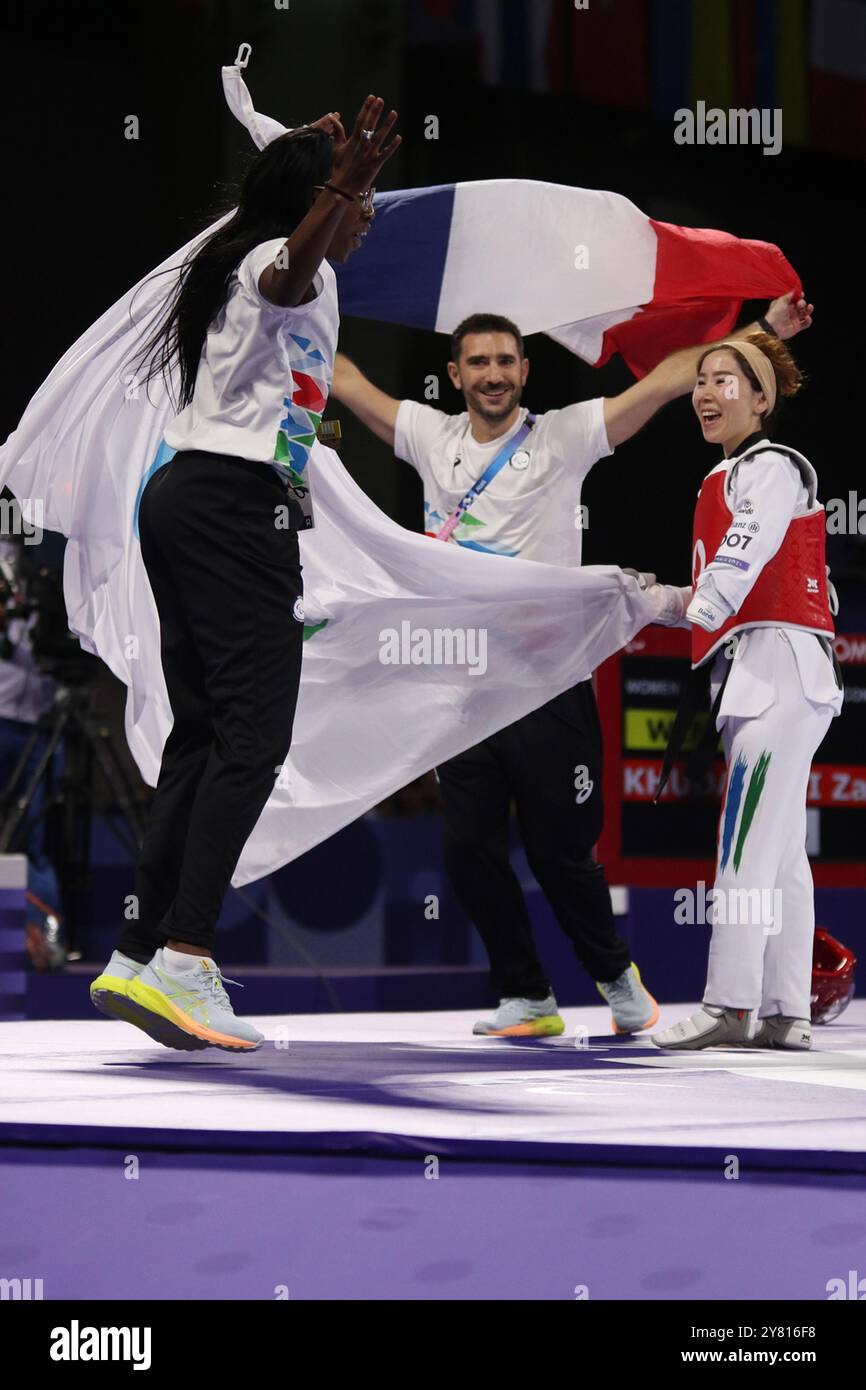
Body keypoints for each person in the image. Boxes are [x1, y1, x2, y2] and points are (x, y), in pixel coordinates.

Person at [330, 295, 812, 1037]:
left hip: (549, 679)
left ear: (524, 370)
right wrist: (280, 301)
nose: (493, 375)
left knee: (562, 851)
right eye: (478, 363)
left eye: (505, 362)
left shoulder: (564, 434)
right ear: (454, 375)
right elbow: (347, 382)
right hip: (459, 684)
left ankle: (617, 978)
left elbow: (667, 380)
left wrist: (764, 336)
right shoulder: (427, 434)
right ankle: (526, 996)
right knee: (466, 850)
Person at [90, 95, 401, 1051]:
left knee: (204, 734)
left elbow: (290, 230)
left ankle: (140, 951)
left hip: (186, 500)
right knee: (253, 739)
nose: (370, 215)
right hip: (229, 510)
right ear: (315, 204)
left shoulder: (234, 255)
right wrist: (333, 194)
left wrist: (326, 172)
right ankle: (188, 956)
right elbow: (292, 265)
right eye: (359, 201)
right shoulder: (279, 265)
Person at [652, 332, 842, 1051]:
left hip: (780, 672)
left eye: (724, 380)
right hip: (762, 676)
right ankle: (786, 1008)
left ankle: (730, 1003)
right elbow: (717, 580)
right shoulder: (719, 479)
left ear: (760, 400)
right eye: (700, 380)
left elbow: (751, 543)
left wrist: (703, 604)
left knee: (742, 845)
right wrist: (663, 602)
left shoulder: (772, 466)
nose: (706, 391)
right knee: (781, 853)